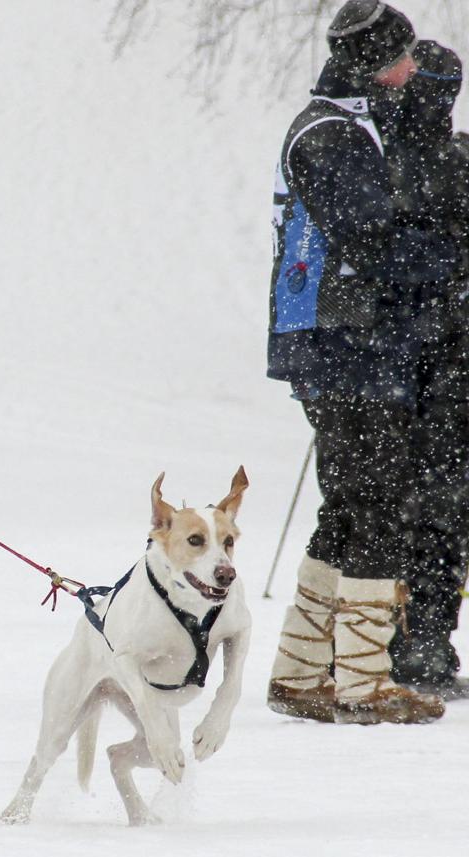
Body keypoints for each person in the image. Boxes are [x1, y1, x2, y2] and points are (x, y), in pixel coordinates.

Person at [264, 1, 465, 724]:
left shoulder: (355, 124)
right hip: (342, 342)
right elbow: (375, 245)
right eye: (403, 58)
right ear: (375, 67)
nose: (413, 69)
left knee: (352, 503)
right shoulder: (331, 135)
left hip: (351, 342)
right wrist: (454, 253)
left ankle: (299, 672)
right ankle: (363, 680)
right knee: (379, 498)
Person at [380, 39, 469, 698]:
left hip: (397, 358)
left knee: (386, 497)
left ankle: (388, 635)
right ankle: (423, 637)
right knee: (437, 504)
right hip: (439, 360)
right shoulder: (453, 163)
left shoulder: (375, 156)